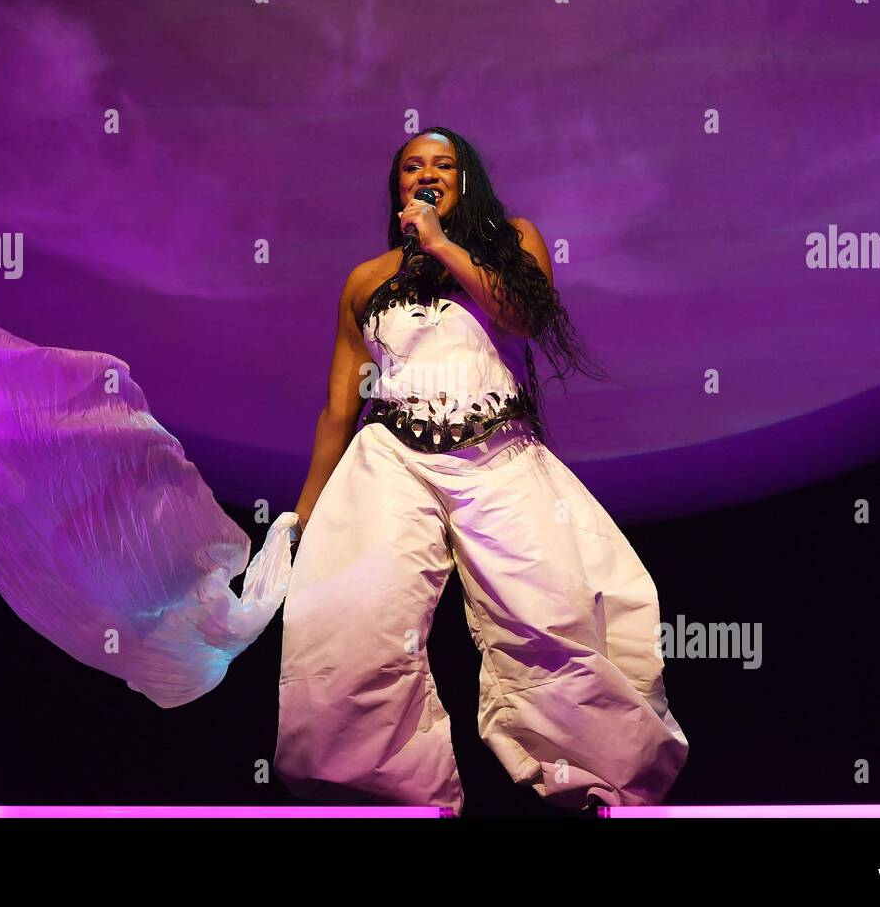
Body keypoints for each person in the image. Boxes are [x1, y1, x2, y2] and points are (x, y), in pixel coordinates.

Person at [273, 126, 688, 815]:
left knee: (550, 615)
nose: (426, 174)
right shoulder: (365, 281)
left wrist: (439, 243)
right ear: (398, 186)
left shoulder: (512, 240)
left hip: (498, 451)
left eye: (443, 165)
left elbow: (524, 317)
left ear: (464, 183)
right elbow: (337, 407)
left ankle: (598, 787)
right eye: (413, 167)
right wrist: (308, 509)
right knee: (352, 618)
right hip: (390, 459)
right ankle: (379, 797)